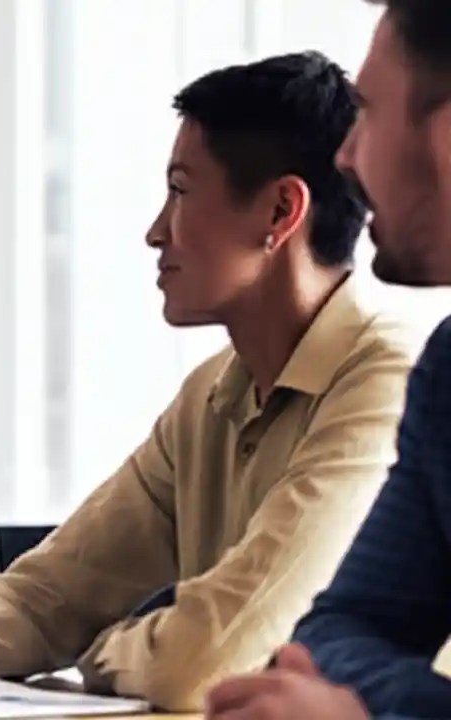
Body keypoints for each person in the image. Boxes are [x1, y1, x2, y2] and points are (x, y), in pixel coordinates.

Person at [0, 51, 415, 712]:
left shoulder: (390, 384)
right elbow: (56, 589)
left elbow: (205, 659)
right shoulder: (212, 393)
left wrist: (94, 655)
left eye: (181, 191)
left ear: (280, 211)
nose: (155, 232)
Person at [206, 2, 451, 718]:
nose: (345, 156)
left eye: (367, 112)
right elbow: (338, 633)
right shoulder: (447, 374)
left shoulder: (384, 366)